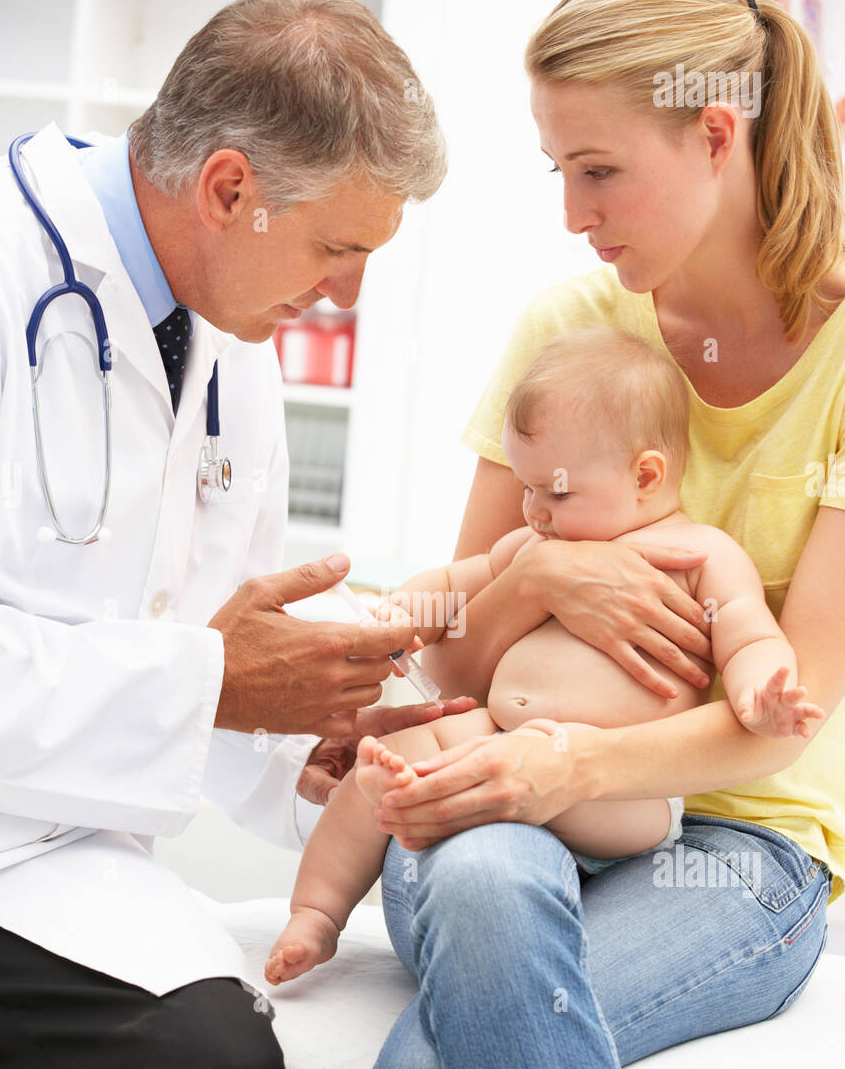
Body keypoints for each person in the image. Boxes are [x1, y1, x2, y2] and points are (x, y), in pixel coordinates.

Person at [0, 0, 476, 1069]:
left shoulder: (233, 345)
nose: (347, 291)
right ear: (228, 186)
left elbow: (211, 636)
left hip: (57, 847)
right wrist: (210, 683)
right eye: (333, 249)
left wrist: (306, 738)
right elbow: (195, 664)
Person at [363, 0, 845, 1069]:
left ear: (713, 132)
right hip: (503, 790)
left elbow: (781, 711)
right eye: (555, 175)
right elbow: (445, 660)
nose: (573, 217)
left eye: (597, 170)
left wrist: (570, 760)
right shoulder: (567, 327)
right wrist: (541, 572)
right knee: (482, 880)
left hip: (739, 841)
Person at [264, 325, 824, 986]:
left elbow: (751, 637)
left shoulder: (700, 557)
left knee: (460, 776)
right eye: (527, 489)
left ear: (646, 475)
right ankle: (318, 912)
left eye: (555, 492)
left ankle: (461, 847)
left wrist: (763, 694)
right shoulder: (537, 546)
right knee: (389, 763)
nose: (533, 511)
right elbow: (453, 588)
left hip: (616, 793)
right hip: (498, 737)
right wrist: (398, 614)